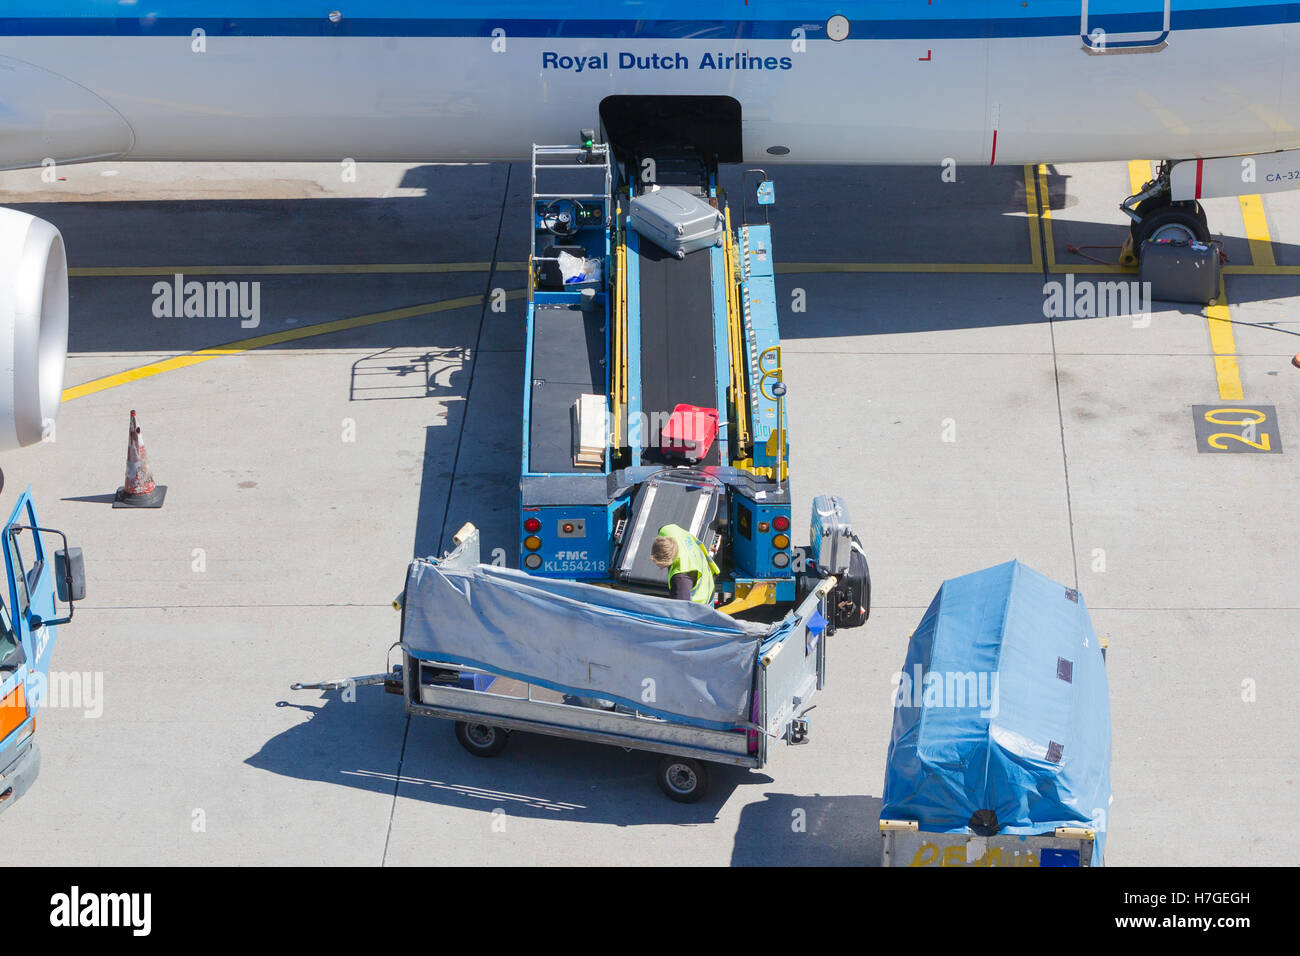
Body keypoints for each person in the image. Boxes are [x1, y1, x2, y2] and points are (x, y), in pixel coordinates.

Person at [649, 523, 718, 604]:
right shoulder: (668, 530)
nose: (660, 568)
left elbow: (680, 611)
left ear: (672, 558)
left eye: (663, 565)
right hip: (706, 576)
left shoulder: (681, 578)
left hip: (701, 604)